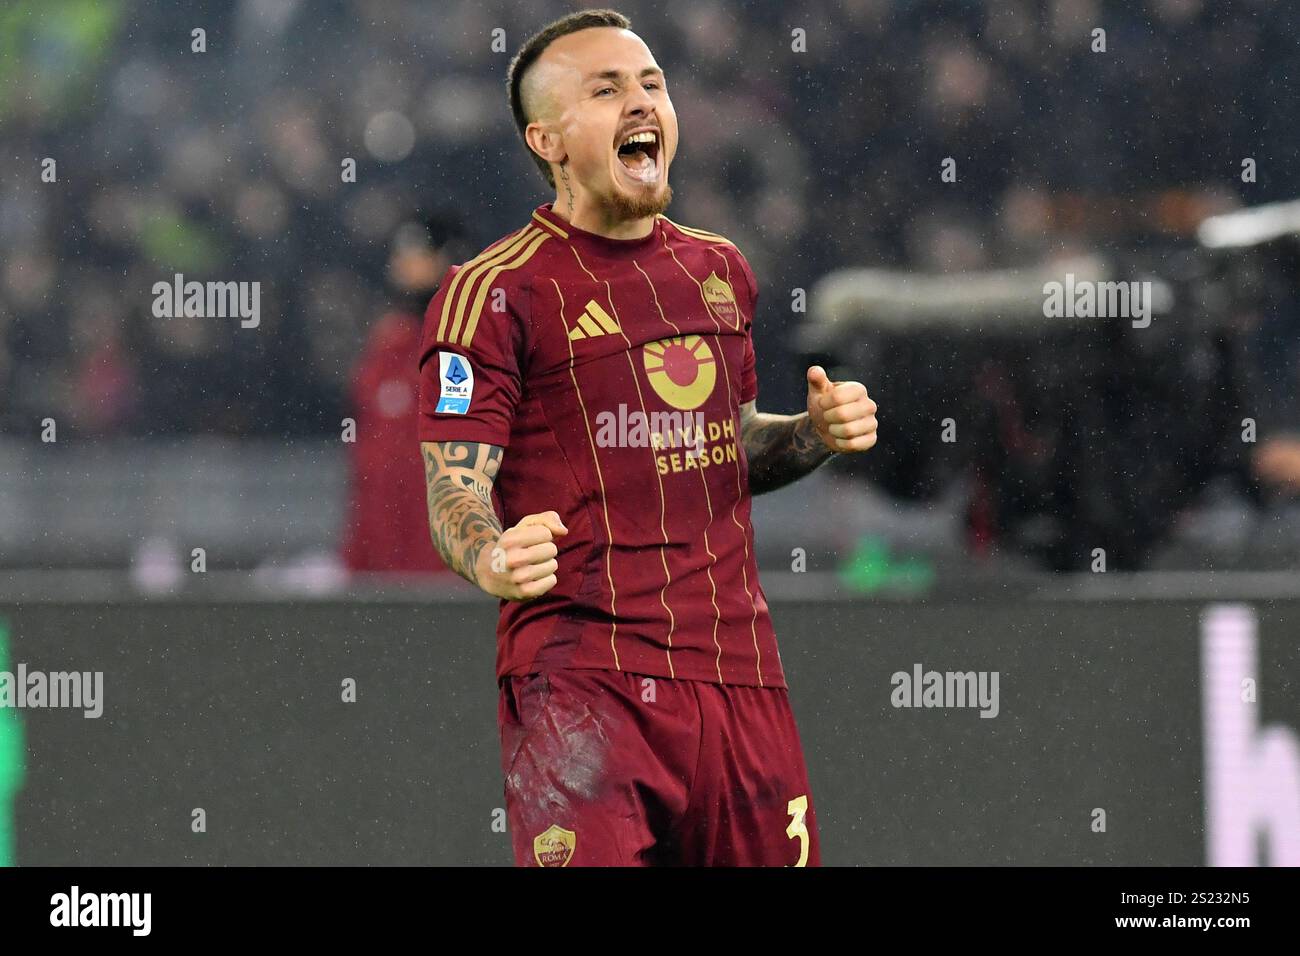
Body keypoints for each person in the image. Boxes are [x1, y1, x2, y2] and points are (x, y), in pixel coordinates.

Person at [417, 9, 878, 866]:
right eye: (607, 89)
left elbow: (727, 446)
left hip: (739, 672)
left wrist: (813, 435)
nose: (642, 102)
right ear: (548, 139)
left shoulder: (718, 269)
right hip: (582, 679)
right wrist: (489, 556)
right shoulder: (493, 292)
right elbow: (453, 486)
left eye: (653, 85)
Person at [342, 215, 465, 576]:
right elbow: (367, 459)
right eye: (400, 256)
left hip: (447, 562)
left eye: (417, 254)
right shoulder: (387, 346)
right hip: (382, 556)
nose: (402, 267)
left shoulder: (469, 343)